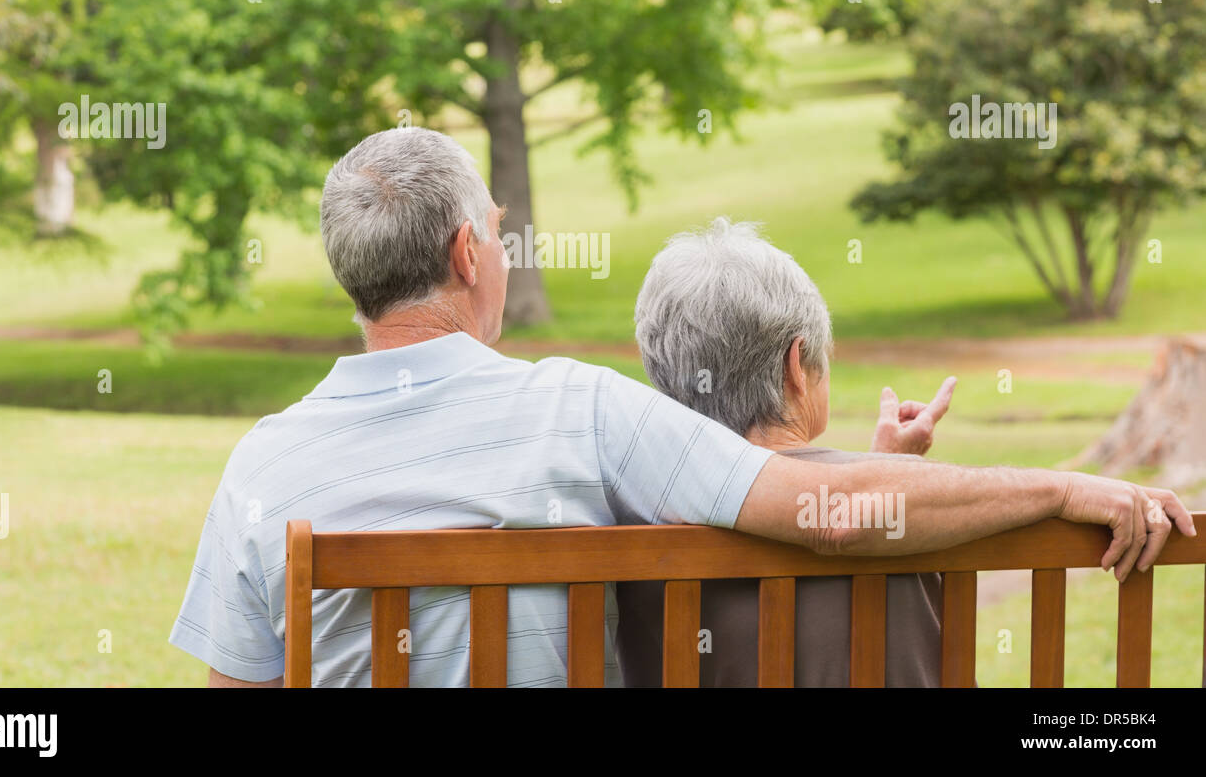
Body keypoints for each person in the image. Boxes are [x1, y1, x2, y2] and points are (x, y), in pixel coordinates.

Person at [169, 127, 1194, 687]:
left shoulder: (261, 465)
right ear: (467, 255)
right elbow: (818, 508)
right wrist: (1064, 482)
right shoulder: (576, 409)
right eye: (498, 230)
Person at [617, 217, 955, 686]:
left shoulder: (633, 522)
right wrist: (886, 471)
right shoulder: (909, 517)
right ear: (796, 365)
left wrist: (882, 464)